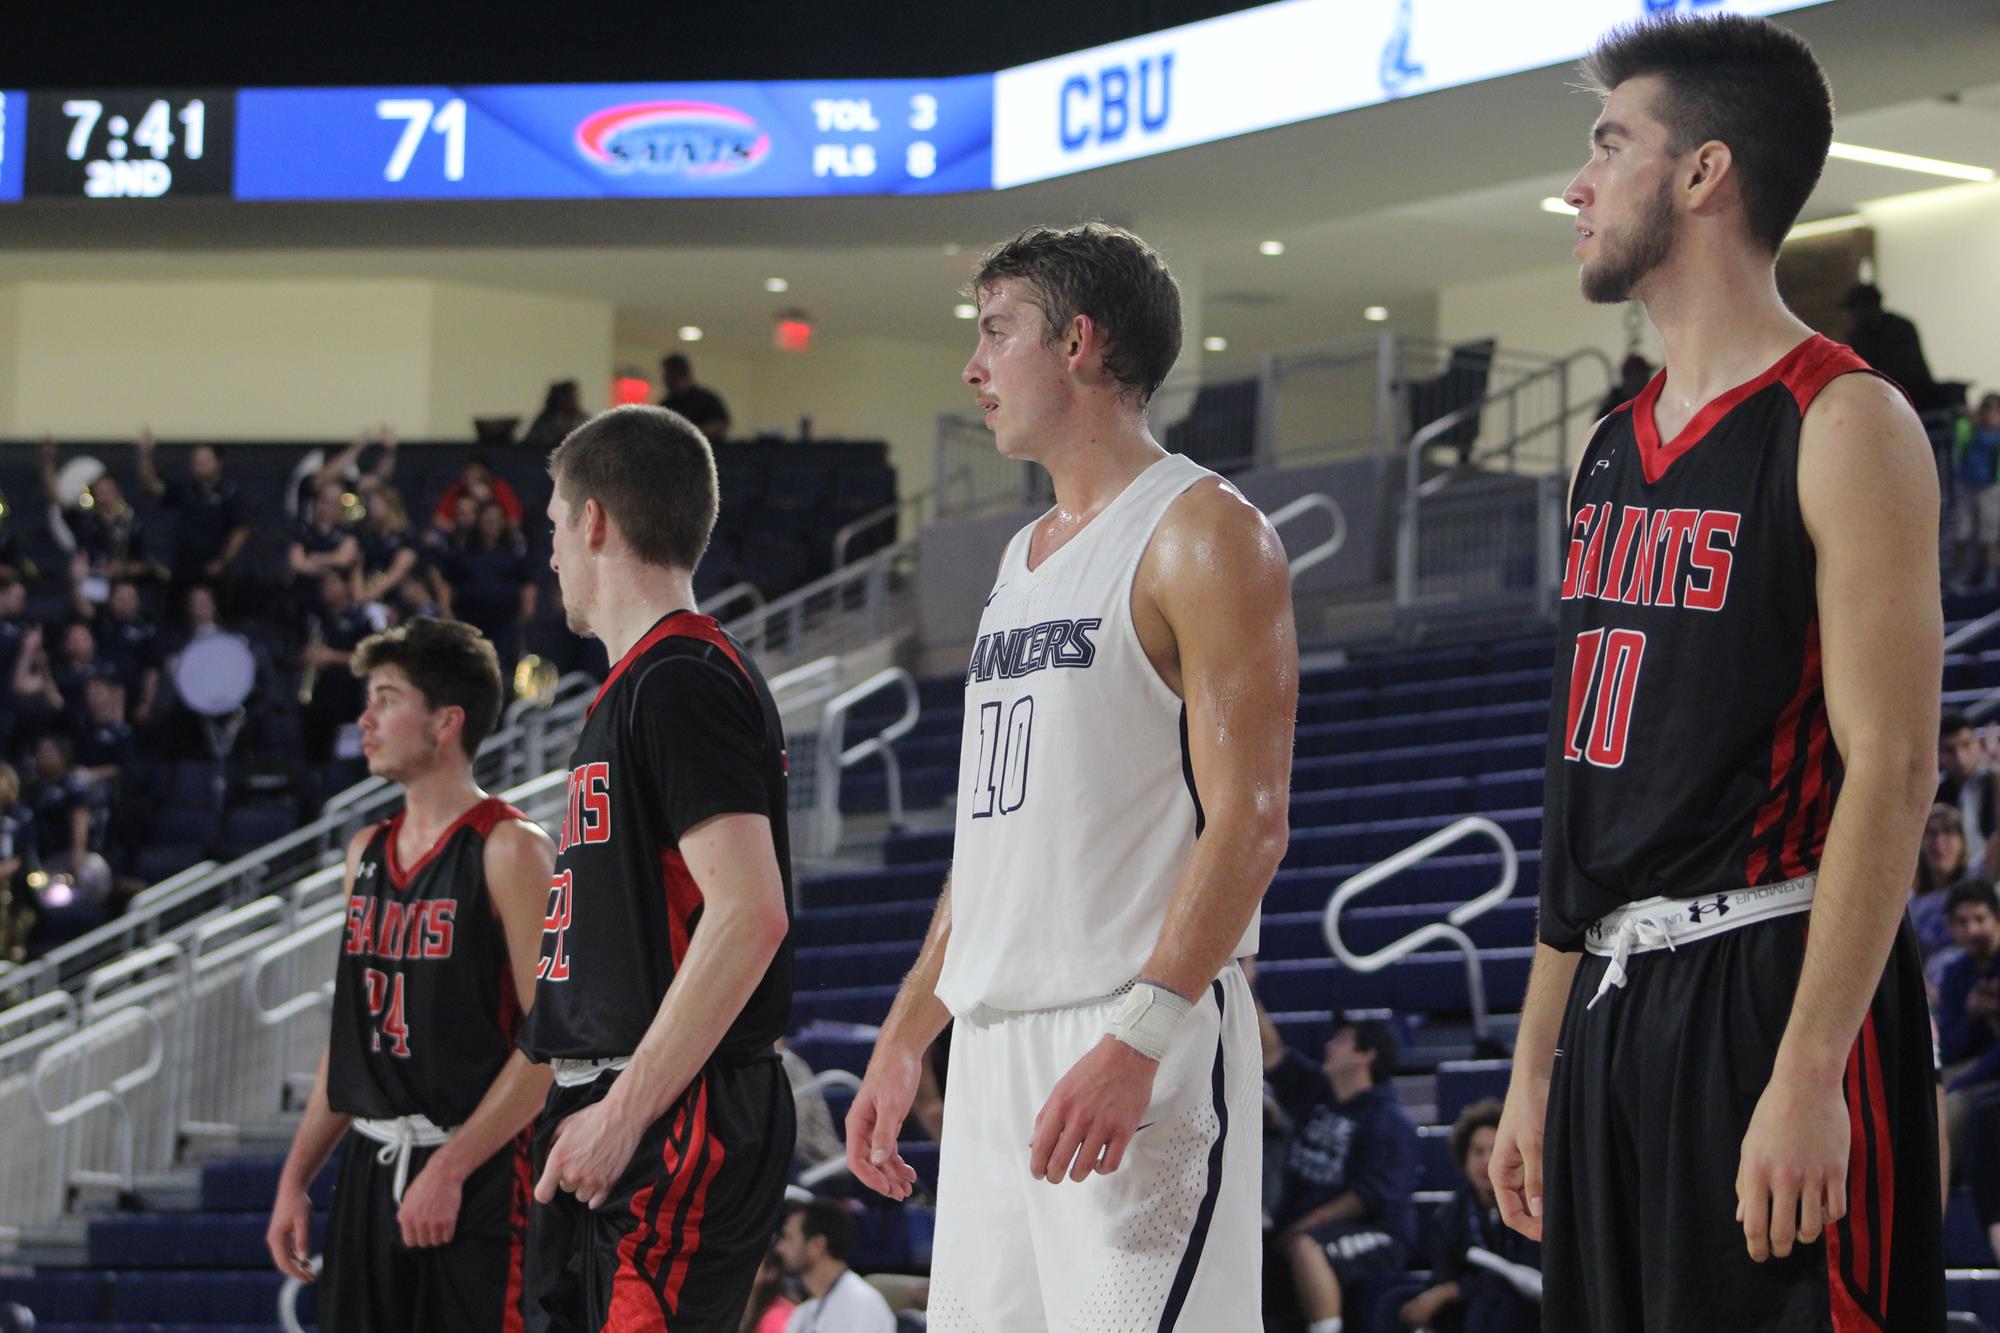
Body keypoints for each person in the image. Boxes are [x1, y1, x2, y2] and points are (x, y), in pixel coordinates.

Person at [1493, 16, 1946, 1330]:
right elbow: (1582, 788)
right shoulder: (1605, 446)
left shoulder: (1842, 417)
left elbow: (1897, 765)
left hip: (1776, 982)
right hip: (1617, 1005)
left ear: (1704, 173)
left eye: (1608, 146)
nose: (1578, 187)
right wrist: (1535, 1058)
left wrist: (1810, 1069)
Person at [843, 223, 1297, 1330]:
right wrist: (909, 1031)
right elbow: (994, 839)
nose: (972, 366)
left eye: (996, 332)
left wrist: (1139, 1038)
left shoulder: (1205, 532)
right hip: (997, 1048)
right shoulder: (1020, 557)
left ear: (1080, 344)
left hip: (1128, 1033)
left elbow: (1249, 821)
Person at [520, 404, 795, 1330]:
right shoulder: (643, 679)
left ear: (594, 520)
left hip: (674, 1106)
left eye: (554, 525)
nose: (550, 552)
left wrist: (625, 1111)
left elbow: (749, 912)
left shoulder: (680, 677)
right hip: (621, 1094)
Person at [263, 617, 556, 1332]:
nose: (365, 718)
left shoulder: (510, 847)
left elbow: (553, 1043)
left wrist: (452, 1168)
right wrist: (296, 1175)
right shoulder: (364, 850)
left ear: (446, 721)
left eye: (387, 698)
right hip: (371, 1160)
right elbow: (352, 1036)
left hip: (479, 1169)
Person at [1259, 1003, 1419, 1333]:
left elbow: (1366, 1198)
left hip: (1378, 1231)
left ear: (1366, 1056)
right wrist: (1244, 983)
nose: (1329, 1045)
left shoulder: (1388, 1120)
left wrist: (1302, 1225)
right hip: (1303, 1225)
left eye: (1342, 1040)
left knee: (1305, 1247)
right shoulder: (1317, 1091)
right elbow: (1273, 1051)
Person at [1377, 1098, 1539, 1333]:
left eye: (1494, 1149)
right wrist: (1450, 1292)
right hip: (1467, 1307)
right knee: (1395, 1305)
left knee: (1494, 1303)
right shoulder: (1451, 1214)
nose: (1486, 1160)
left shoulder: (1531, 1204)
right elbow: (1443, 1275)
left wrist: (1454, 1290)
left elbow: (1531, 1274)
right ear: (1464, 1157)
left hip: (1523, 1305)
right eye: (1477, 1151)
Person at [132, 431, 252, 595]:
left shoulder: (230, 494)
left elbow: (241, 529)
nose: (198, 465)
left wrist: (222, 561)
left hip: (214, 574)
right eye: (195, 461)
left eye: (204, 461)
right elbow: (153, 487)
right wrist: (144, 455)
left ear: (218, 462)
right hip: (183, 570)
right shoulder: (186, 489)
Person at [771, 1198, 896, 1333]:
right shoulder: (803, 1313)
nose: (780, 1248)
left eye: (789, 1238)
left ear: (817, 1245)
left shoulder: (861, 1303)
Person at [1842, 283, 1950, 414]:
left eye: (1855, 309)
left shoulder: (1901, 328)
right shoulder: (1857, 336)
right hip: (1881, 398)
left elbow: (1907, 369)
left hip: (1913, 397)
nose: (1852, 315)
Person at [1939, 712, 1994, 873]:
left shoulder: (1992, 779)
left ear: (1978, 743)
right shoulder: (1938, 793)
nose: (1959, 757)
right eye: (1949, 750)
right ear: (1938, 754)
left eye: (1966, 745)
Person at [660, 354, 732, 441]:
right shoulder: (667, 403)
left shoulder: (706, 398)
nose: (664, 379)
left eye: (667, 375)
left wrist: (696, 433)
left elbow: (722, 423)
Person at [524, 380, 589, 454]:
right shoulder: (546, 419)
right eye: (568, 396)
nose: (573, 400)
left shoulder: (582, 419)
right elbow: (534, 442)